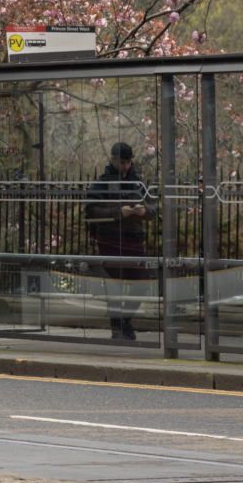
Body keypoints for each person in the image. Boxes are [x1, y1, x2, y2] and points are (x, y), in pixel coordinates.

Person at [85, 142, 153, 340]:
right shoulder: (101, 184)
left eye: (129, 162)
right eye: (122, 162)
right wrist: (118, 213)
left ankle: (123, 321)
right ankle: (118, 327)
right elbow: (91, 212)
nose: (126, 166)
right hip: (109, 239)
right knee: (114, 286)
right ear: (112, 159)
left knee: (142, 283)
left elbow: (154, 209)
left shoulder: (139, 184)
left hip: (133, 238)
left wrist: (144, 211)